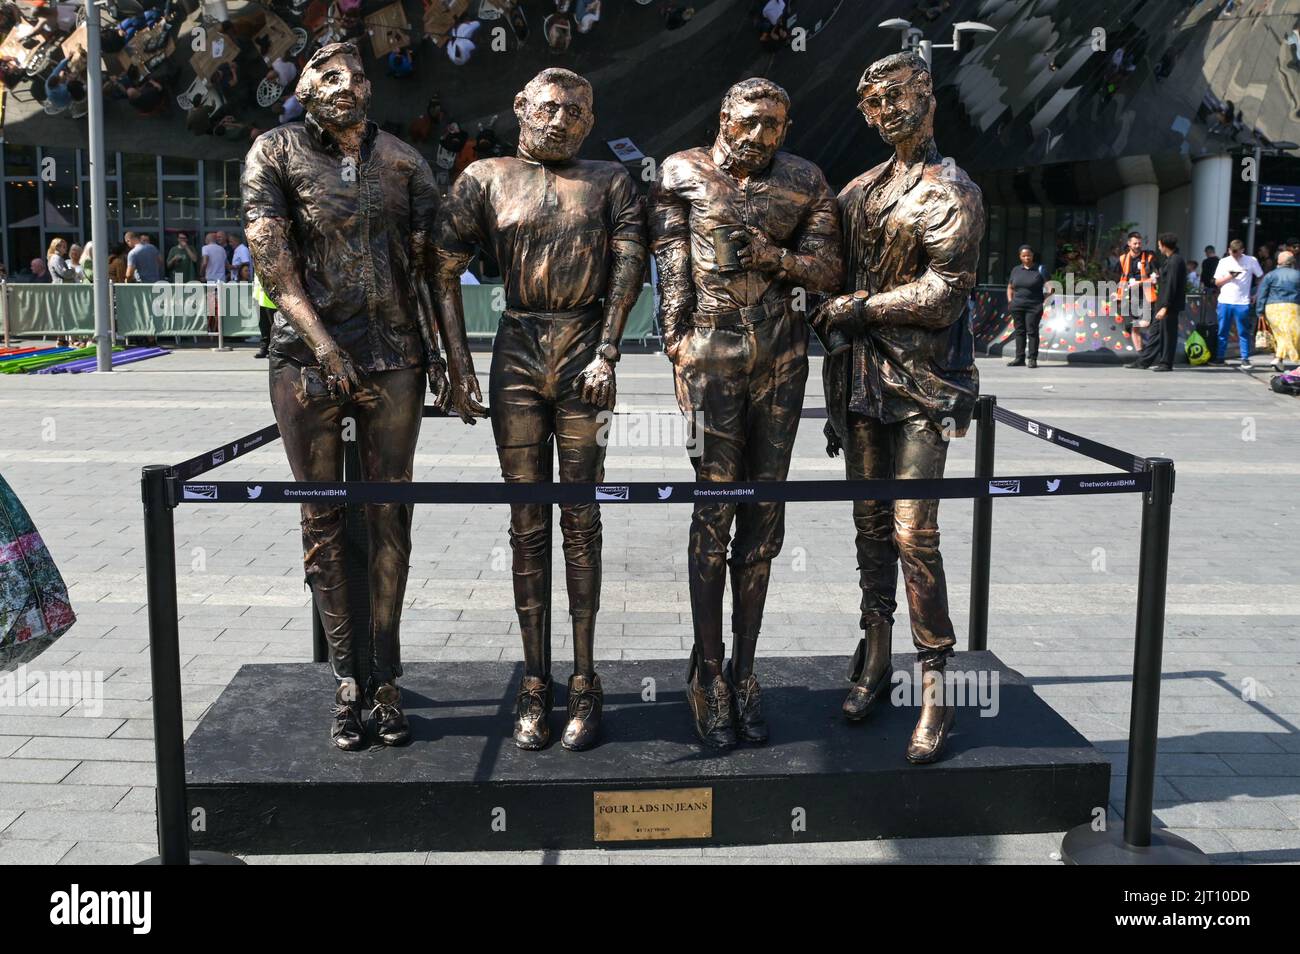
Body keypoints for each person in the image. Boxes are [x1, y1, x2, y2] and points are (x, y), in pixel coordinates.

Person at [243, 41, 480, 751]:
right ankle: (348, 679)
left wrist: (457, 365)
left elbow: (435, 273)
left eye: (353, 73)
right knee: (323, 523)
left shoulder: (405, 162)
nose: (343, 83)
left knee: (388, 519)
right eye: (325, 71)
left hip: (394, 360)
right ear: (301, 85)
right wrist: (325, 348)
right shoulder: (274, 152)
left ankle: (385, 680)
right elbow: (277, 271)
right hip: (306, 363)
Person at [435, 68, 645, 753]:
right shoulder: (485, 176)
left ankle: (585, 679)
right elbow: (441, 266)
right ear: (521, 106)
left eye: (577, 112)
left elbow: (628, 265)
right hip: (518, 347)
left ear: (590, 121)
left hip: (585, 344)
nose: (561, 120)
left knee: (580, 518)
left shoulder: (609, 181)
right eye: (550, 107)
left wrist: (609, 351)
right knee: (528, 522)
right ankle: (534, 682)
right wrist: (459, 363)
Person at [651, 78, 842, 748]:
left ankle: (747, 670)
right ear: (724, 116)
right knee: (714, 510)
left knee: (764, 522)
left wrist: (772, 256)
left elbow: (828, 270)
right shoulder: (681, 170)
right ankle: (707, 672)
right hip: (711, 357)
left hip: (782, 364)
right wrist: (675, 344)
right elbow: (670, 261)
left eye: (775, 126)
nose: (761, 136)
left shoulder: (806, 180)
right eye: (751, 122)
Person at [820, 51, 984, 765]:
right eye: (871, 103)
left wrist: (857, 307)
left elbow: (946, 291)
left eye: (894, 95)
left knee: (914, 534)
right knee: (869, 529)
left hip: (925, 385)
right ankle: (876, 653)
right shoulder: (857, 191)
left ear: (927, 94)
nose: (884, 111)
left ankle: (937, 693)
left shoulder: (955, 190)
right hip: (860, 384)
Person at [1131, 233, 1185, 372]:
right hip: (1162, 303)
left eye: (1159, 244)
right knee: (1155, 333)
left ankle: (1166, 363)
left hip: (1169, 305)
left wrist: (1165, 307)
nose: (1158, 247)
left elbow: (1172, 285)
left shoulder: (1175, 261)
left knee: (1168, 334)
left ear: (1165, 245)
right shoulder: (1170, 260)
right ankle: (1144, 361)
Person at [1212, 239, 1264, 367]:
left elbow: (1261, 277)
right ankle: (1220, 356)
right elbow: (1217, 282)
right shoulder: (1223, 262)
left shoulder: (1251, 260)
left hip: (1242, 302)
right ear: (1229, 250)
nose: (1234, 255)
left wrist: (1256, 294)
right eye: (1232, 252)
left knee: (1243, 331)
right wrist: (1230, 277)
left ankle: (1245, 358)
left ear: (1242, 250)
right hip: (1225, 301)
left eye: (1237, 253)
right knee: (1223, 330)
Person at [1255, 249, 1300, 372]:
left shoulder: (1270, 275)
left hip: (1272, 308)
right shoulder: (1298, 275)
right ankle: (1293, 358)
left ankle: (1278, 358)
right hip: (1292, 308)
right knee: (1292, 334)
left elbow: (1262, 294)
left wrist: (1259, 311)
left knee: (1279, 334)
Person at [1116, 231, 1157, 359]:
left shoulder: (1149, 257)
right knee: (1134, 327)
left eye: (1139, 243)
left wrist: (1139, 283)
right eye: (1135, 243)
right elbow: (1120, 277)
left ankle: (1150, 352)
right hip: (1130, 295)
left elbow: (1156, 277)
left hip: (1146, 294)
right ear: (1129, 244)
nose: (1138, 245)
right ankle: (1141, 355)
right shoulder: (1123, 259)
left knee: (1147, 323)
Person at [1005, 244, 1046, 367]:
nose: (1026, 258)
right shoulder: (1016, 270)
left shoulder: (1040, 269)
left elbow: (1051, 287)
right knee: (1019, 331)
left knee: (1032, 331)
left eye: (1028, 255)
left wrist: (1042, 299)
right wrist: (1010, 301)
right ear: (1020, 257)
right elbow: (1010, 287)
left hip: (1034, 306)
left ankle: (1032, 358)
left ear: (1032, 255)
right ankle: (1019, 358)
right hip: (1017, 305)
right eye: (1023, 256)